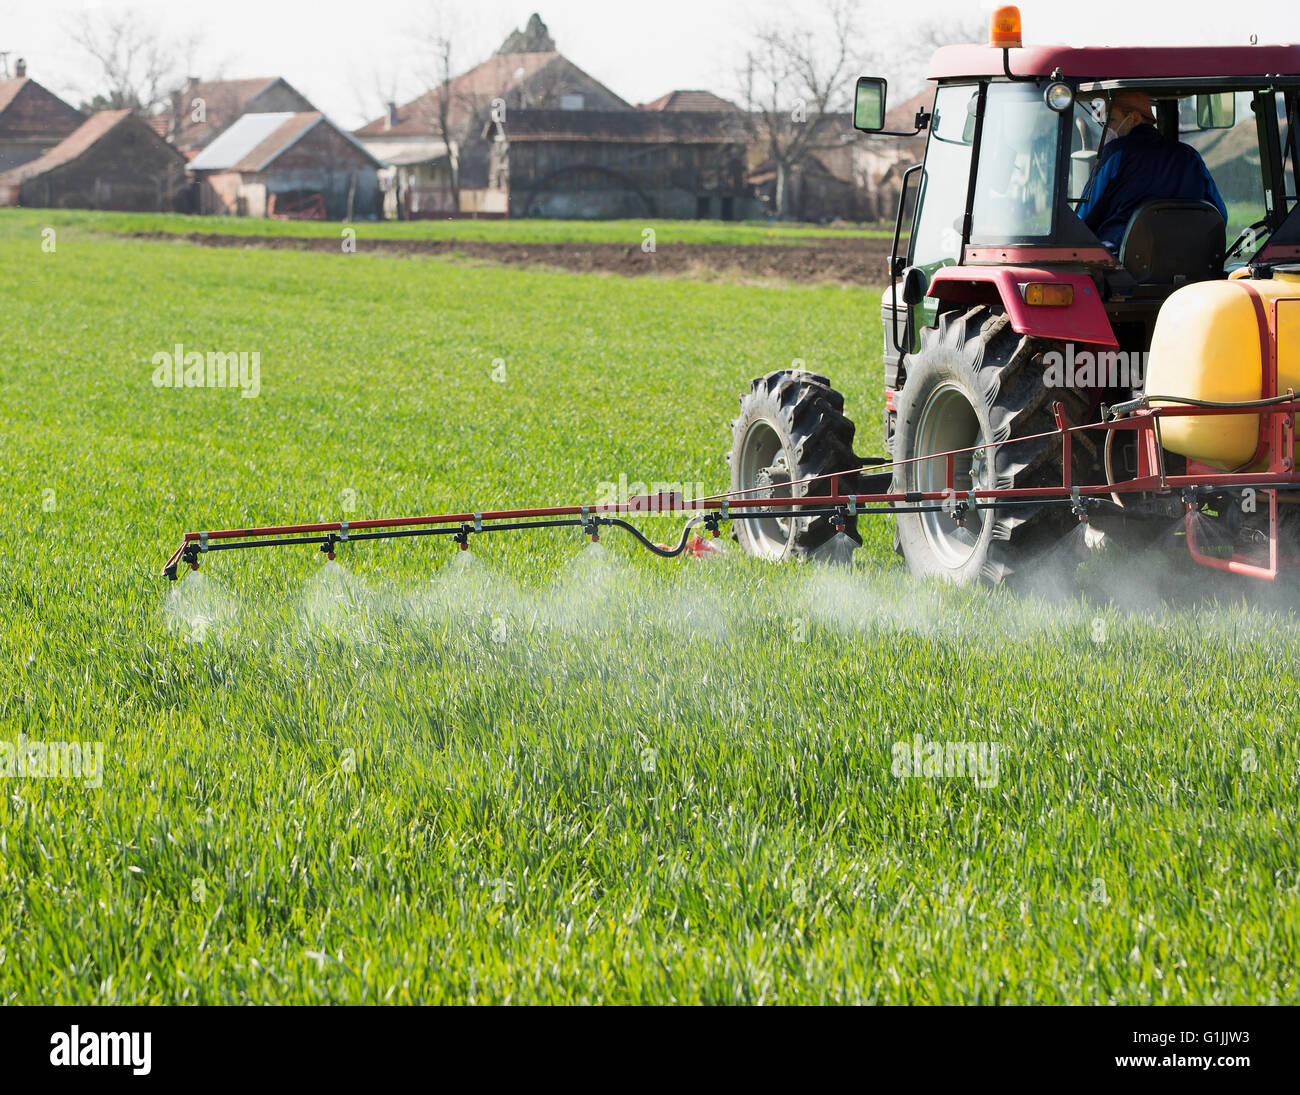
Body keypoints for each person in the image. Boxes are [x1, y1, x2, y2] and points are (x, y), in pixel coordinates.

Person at [1077, 90, 1228, 253]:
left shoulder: (1116, 153)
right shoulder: (1190, 156)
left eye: (1111, 120)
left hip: (1120, 268)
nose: (1108, 128)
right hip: (1190, 263)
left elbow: (1082, 219)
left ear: (1134, 118)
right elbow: (1220, 216)